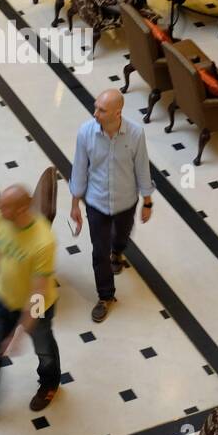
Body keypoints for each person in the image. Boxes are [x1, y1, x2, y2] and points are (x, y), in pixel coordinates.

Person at [0, 183, 61, 425]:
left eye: (6, 206)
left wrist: (19, 333)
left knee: (44, 349)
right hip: (1, 299)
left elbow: (39, 294)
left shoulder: (43, 241)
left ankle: (50, 383)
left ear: (22, 209)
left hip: (38, 304)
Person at [69, 89, 154, 323]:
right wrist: (75, 204)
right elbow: (79, 169)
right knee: (99, 251)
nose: (95, 113)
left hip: (126, 200)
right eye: (96, 107)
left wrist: (147, 202)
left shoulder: (135, 134)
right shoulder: (86, 133)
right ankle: (105, 296)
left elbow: (142, 169)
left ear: (118, 113)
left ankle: (117, 252)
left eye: (101, 110)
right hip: (96, 202)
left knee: (121, 236)